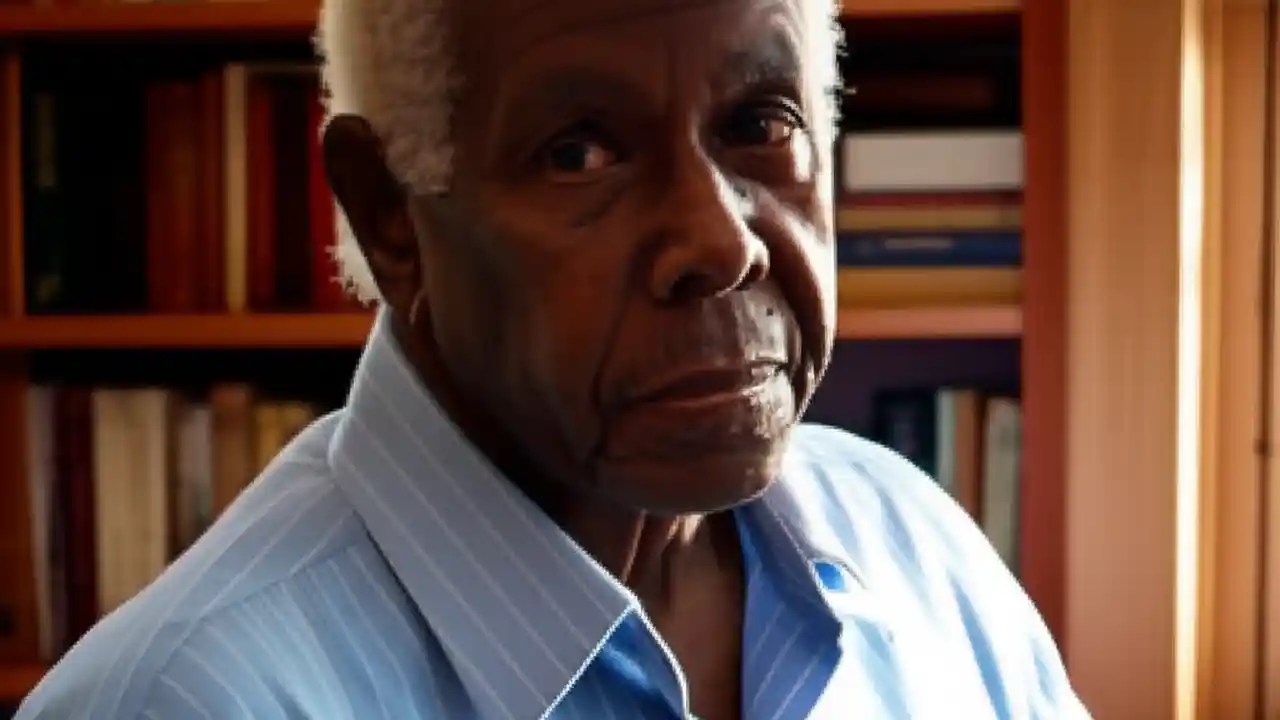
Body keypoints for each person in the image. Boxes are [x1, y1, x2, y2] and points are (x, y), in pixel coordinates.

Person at [17, 0, 1089, 717]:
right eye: (578, 151)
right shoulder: (187, 701)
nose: (721, 244)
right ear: (392, 216)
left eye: (761, 121)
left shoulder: (916, 551)